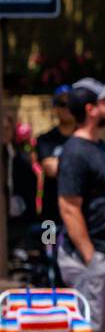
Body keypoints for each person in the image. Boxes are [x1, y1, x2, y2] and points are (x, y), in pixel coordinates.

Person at [56, 80, 105, 332]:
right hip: (89, 256)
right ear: (91, 109)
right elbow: (69, 207)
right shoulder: (74, 152)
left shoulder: (101, 147)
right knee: (89, 329)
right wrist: (90, 255)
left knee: (100, 329)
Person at [36, 85, 76, 232]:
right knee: (48, 251)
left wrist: (60, 163)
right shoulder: (45, 139)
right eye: (61, 104)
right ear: (55, 107)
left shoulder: (84, 138)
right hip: (50, 214)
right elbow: (50, 169)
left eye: (70, 104)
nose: (66, 108)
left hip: (78, 213)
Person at [3, 107, 39, 252]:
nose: (3, 133)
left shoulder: (21, 159)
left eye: (7, 129)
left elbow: (31, 187)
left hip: (21, 223)